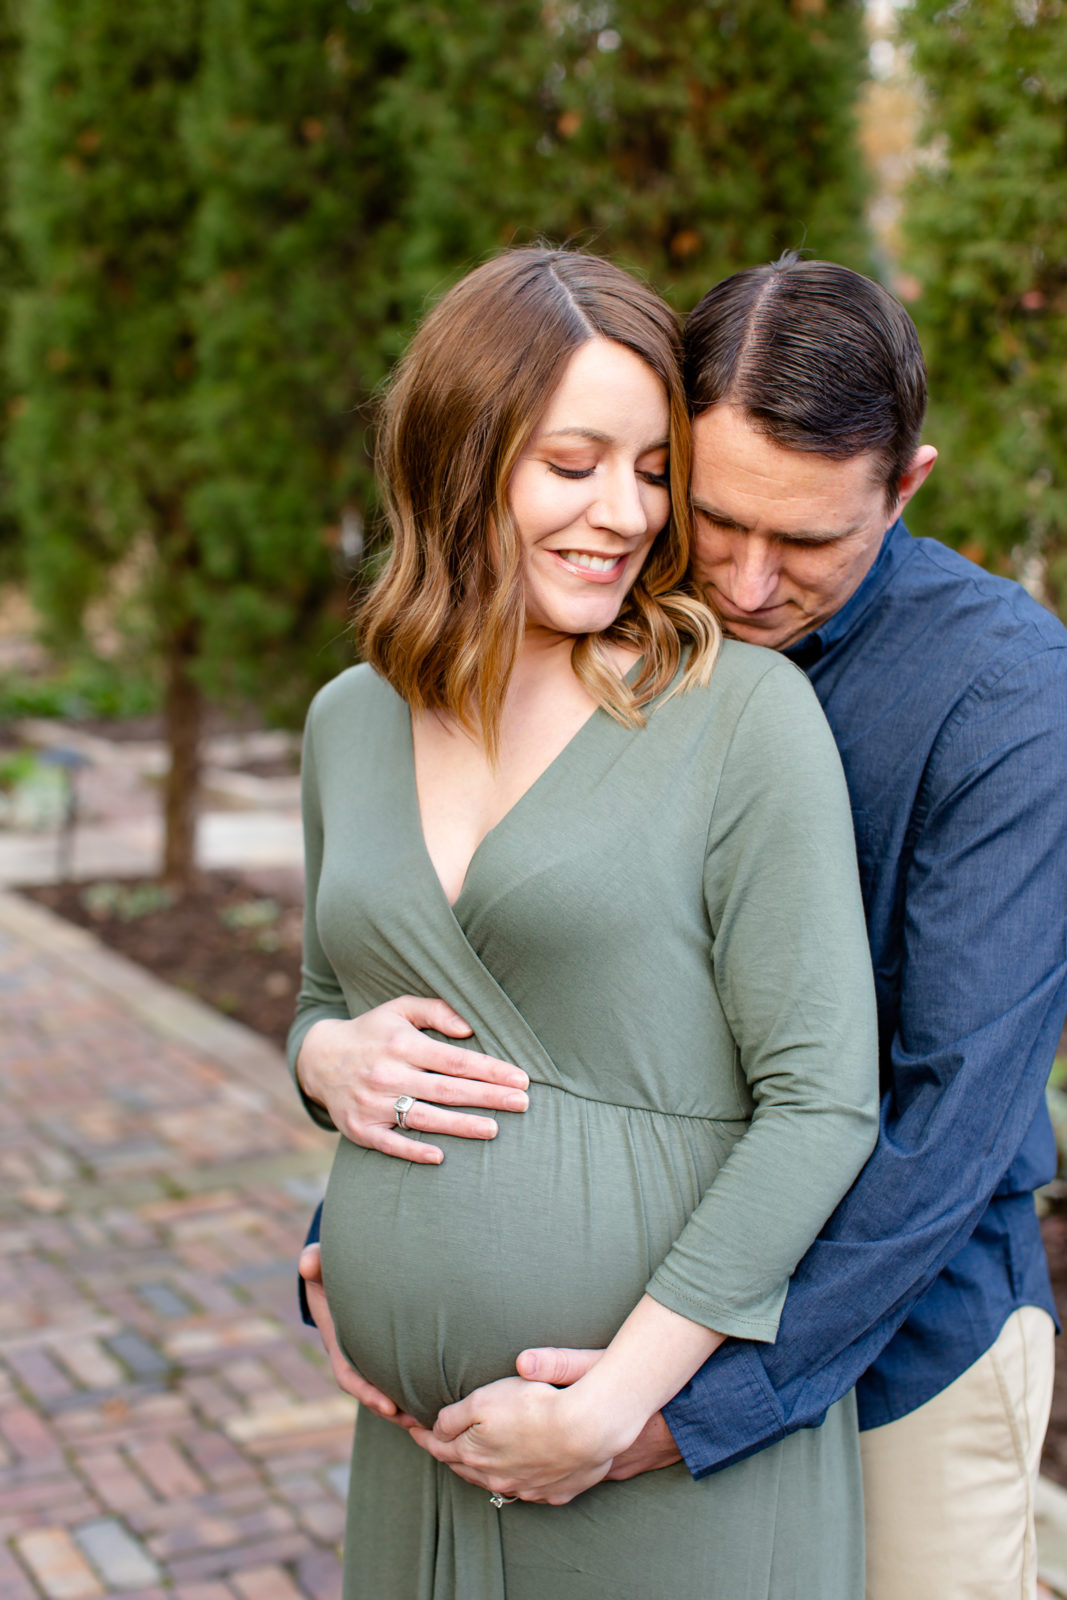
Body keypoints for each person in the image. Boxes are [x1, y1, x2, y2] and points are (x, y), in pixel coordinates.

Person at [299, 254, 1067, 1600]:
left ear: (907, 486)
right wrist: (363, 1206)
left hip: (902, 1346)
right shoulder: (599, 627)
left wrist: (678, 1410)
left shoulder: (1003, 698)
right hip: (538, 1400)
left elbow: (936, 1123)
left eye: (810, 543)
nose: (751, 585)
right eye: (714, 517)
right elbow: (525, 992)